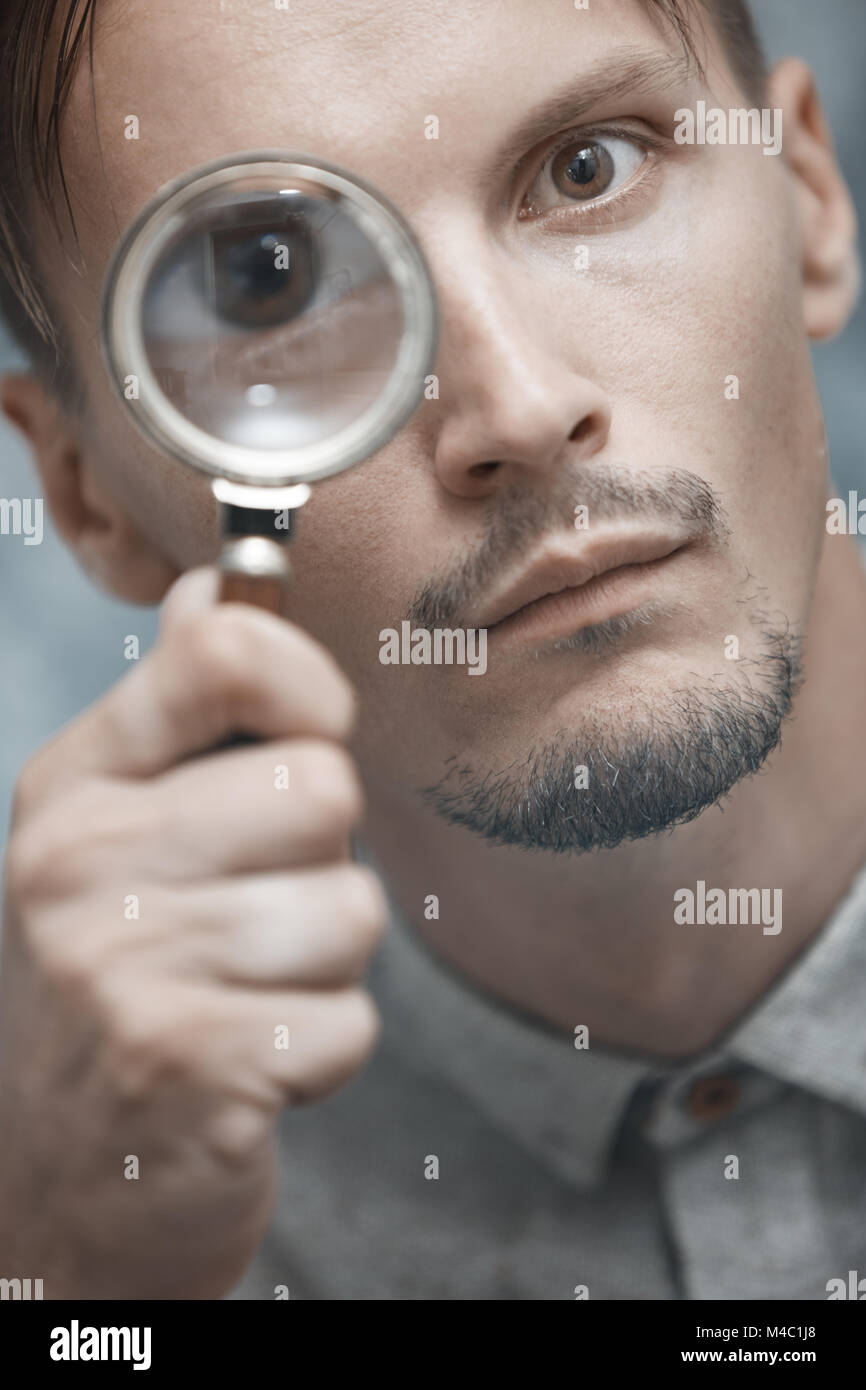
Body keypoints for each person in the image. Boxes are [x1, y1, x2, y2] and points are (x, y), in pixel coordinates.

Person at [0, 0, 864, 1300]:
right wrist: (74, 1283)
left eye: (588, 167)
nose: (515, 407)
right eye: (269, 277)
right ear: (87, 495)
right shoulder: (98, 1205)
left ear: (804, 193)